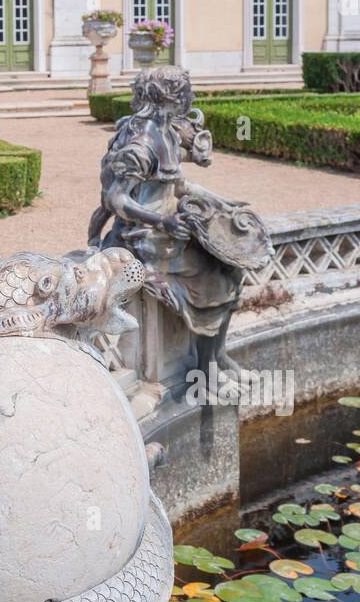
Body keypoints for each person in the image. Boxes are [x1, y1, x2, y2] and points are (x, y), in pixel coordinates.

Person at [88, 65, 271, 385]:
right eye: (187, 91)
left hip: (171, 225)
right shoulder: (143, 140)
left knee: (235, 261)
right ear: (170, 97)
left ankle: (217, 356)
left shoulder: (166, 130)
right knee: (219, 277)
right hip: (145, 238)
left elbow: (180, 186)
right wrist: (163, 220)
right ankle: (208, 368)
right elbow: (116, 199)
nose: (193, 96)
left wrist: (223, 202)